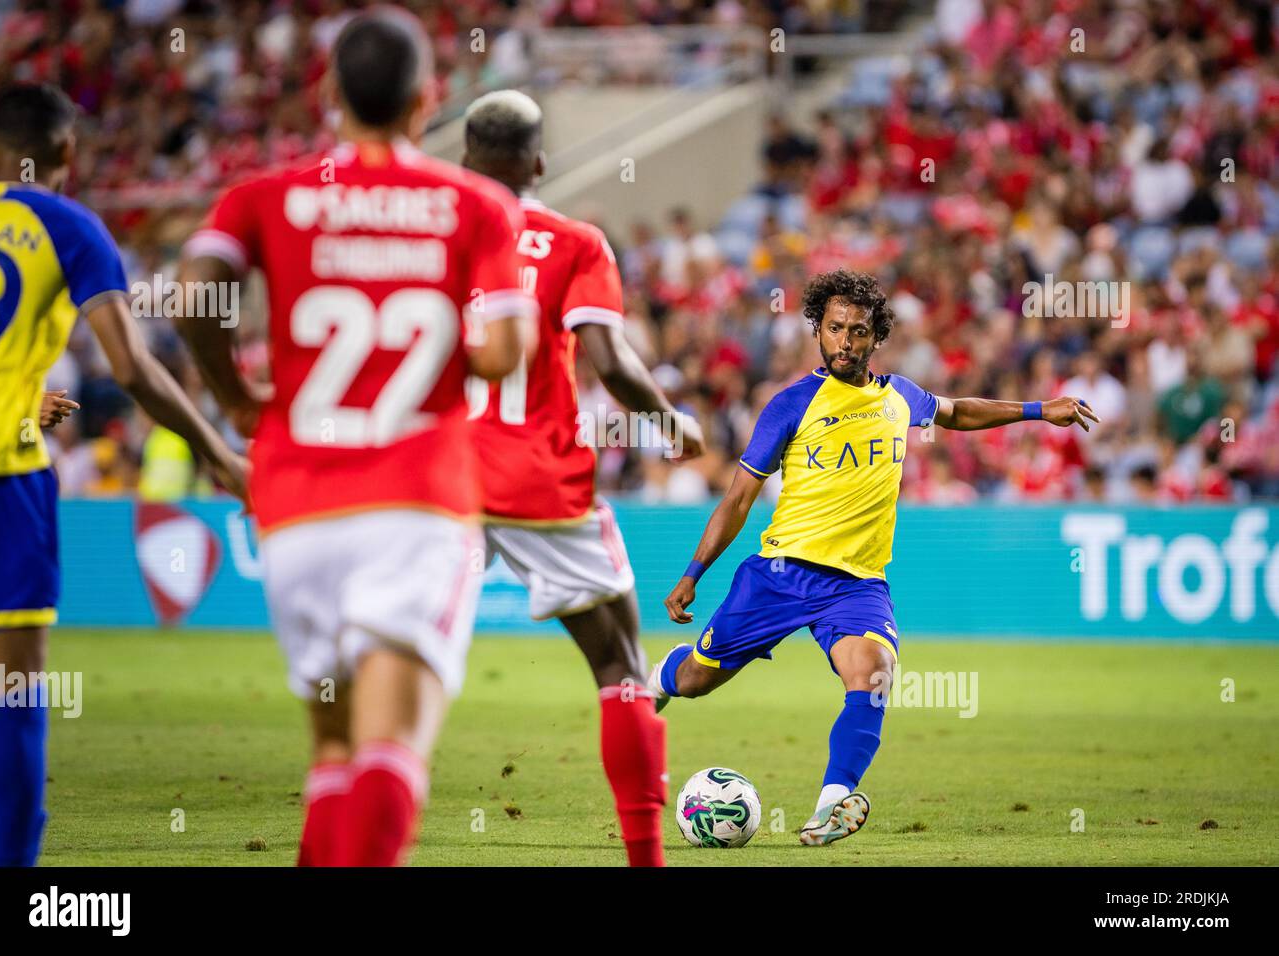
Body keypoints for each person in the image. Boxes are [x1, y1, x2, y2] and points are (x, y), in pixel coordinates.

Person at [174, 8, 531, 867]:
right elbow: (501, 353)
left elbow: (194, 296)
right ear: (427, 101)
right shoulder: (477, 207)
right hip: (415, 501)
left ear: (328, 93)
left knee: (332, 751)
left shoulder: (264, 196)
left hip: (296, 508)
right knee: (390, 751)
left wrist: (246, 400)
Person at [649, 269, 1098, 846]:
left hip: (857, 583)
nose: (845, 341)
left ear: (874, 337)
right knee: (697, 681)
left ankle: (832, 804)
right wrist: (692, 574)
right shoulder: (791, 406)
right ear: (818, 330)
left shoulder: (899, 396)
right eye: (834, 328)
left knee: (874, 677)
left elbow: (958, 412)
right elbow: (738, 498)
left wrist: (1038, 410)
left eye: (858, 332)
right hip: (782, 574)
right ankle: (658, 679)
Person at [0, 82, 247, 866]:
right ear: (68, 152)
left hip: (11, 440)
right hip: (1, 481)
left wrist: (26, 399)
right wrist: (216, 449)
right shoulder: (68, 227)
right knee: (14, 695)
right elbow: (130, 364)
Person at [461, 89, 705, 867]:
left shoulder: (434, 232)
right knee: (621, 666)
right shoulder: (573, 243)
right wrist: (673, 423)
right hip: (536, 479)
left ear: (466, 161)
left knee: (389, 667)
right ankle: (644, 858)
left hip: (432, 479)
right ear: (538, 163)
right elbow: (610, 359)